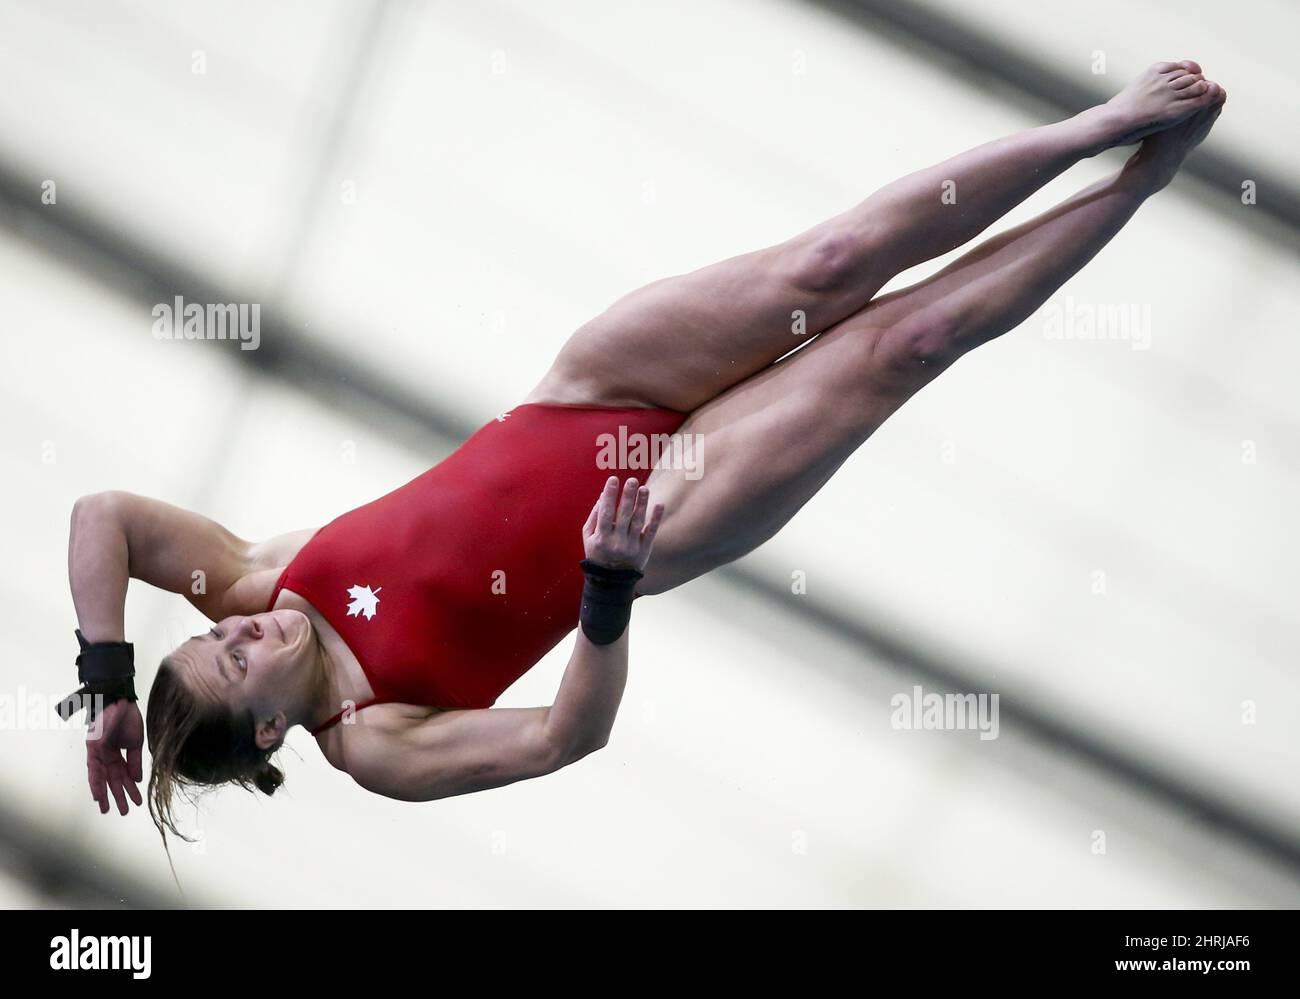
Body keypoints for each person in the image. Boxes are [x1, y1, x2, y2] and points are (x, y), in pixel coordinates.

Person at [62, 63, 1224, 847]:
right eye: (235, 663)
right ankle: (1138, 184)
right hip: (653, 515)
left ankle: (1094, 127)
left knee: (831, 266)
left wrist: (111, 681)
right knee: (905, 342)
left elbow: (104, 514)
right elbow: (567, 738)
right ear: (271, 729)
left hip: (592, 392)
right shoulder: (373, 744)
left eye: (210, 633)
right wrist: (608, 592)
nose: (238, 630)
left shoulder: (261, 580)